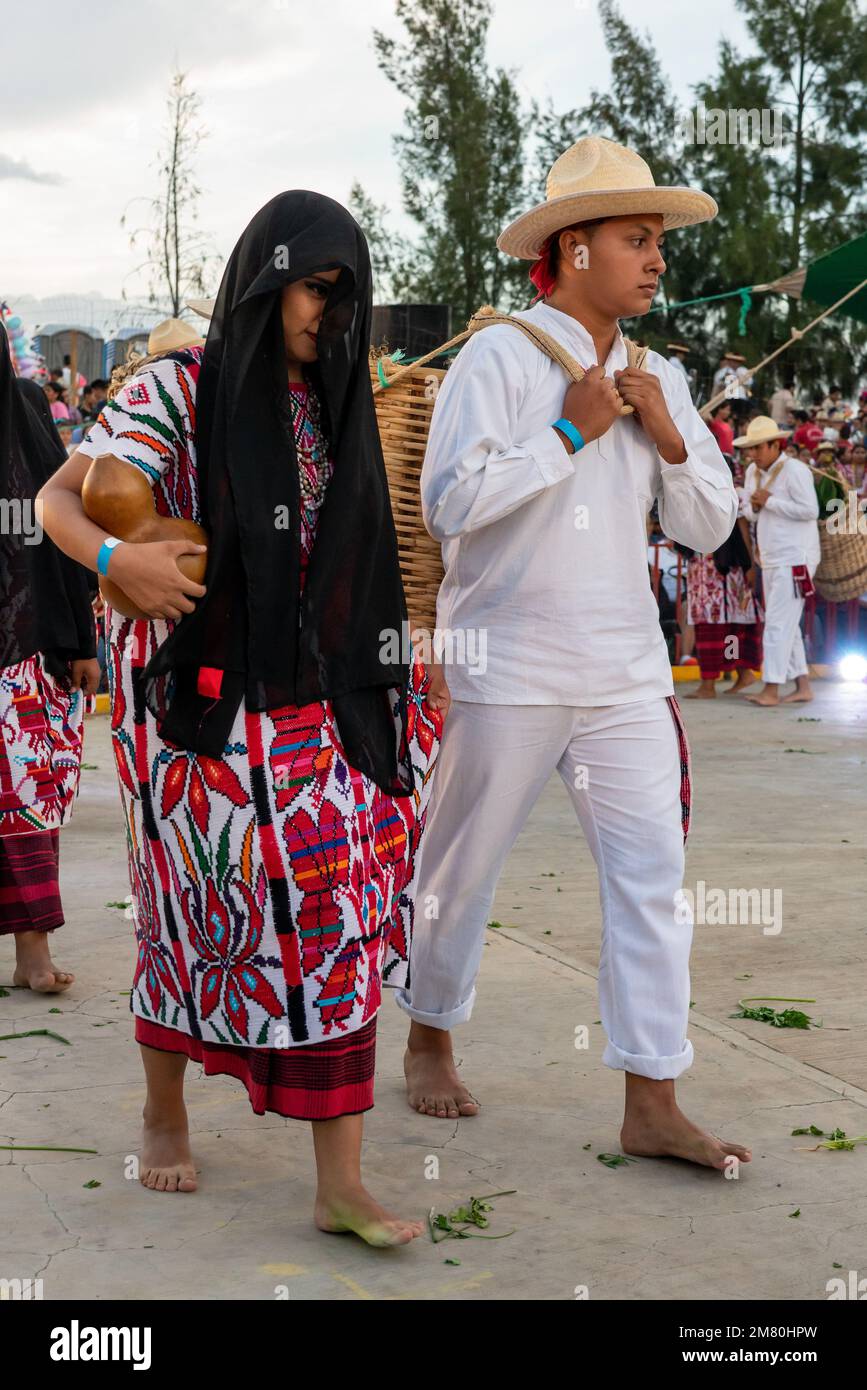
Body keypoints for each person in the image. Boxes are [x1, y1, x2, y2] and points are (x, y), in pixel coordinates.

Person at [38, 192, 443, 1245]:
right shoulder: (180, 386)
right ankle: (163, 1110)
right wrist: (120, 559)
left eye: (346, 291)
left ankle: (340, 1181)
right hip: (194, 717)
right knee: (193, 912)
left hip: (319, 706)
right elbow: (57, 503)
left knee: (332, 920)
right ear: (267, 279)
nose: (331, 311)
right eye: (317, 286)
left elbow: (362, 557)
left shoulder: (338, 398)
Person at [399, 134, 751, 1172]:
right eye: (636, 240)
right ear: (573, 249)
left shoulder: (662, 377)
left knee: (654, 879)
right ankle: (428, 1031)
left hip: (627, 672)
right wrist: (567, 432)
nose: (655, 259)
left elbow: (705, 525)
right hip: (504, 663)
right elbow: (447, 501)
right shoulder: (498, 357)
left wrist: (670, 440)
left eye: (657, 241)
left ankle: (653, 1092)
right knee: (457, 870)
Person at [0, 323, 99, 992]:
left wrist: (80, 641)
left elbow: (61, 524)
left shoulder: (28, 408)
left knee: (26, 799)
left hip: (27, 640)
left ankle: (32, 952)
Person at [736, 416, 820, 707]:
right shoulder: (752, 472)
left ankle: (772, 688)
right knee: (787, 624)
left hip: (796, 557)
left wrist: (770, 501)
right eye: (750, 449)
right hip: (770, 557)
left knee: (777, 623)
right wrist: (755, 505)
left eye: (758, 448)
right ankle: (802, 685)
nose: (752, 454)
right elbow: (750, 513)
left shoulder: (796, 470)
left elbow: (810, 510)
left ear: (775, 445)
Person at [683, 466, 762, 699]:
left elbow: (743, 530)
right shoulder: (694, 492)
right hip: (705, 568)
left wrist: (748, 566)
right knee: (722, 625)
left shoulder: (733, 494)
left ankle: (711, 684)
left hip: (725, 570)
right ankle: (741, 673)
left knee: (723, 626)